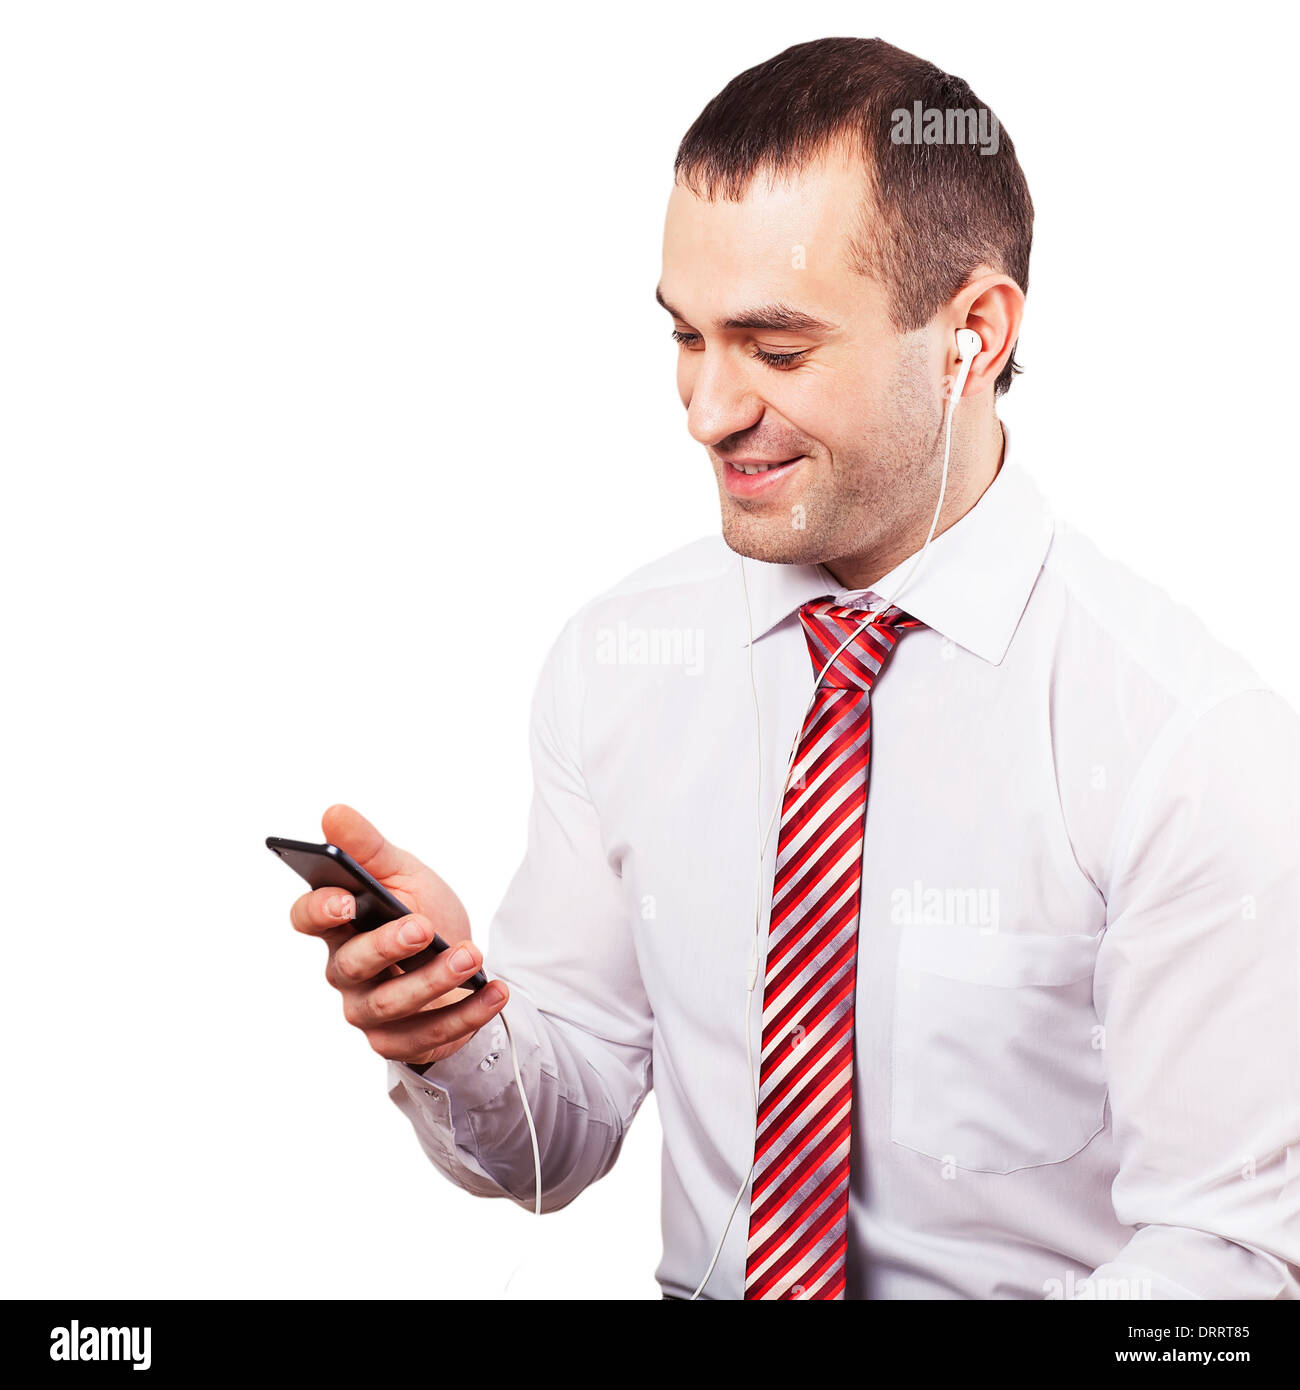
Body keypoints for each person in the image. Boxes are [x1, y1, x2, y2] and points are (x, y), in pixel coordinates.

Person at [286, 36, 1300, 1300]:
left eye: (774, 349)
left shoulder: (1183, 740)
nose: (707, 409)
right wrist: (460, 1034)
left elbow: (1234, 1256)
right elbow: (554, 1146)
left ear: (969, 334)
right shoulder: (618, 664)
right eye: (684, 337)